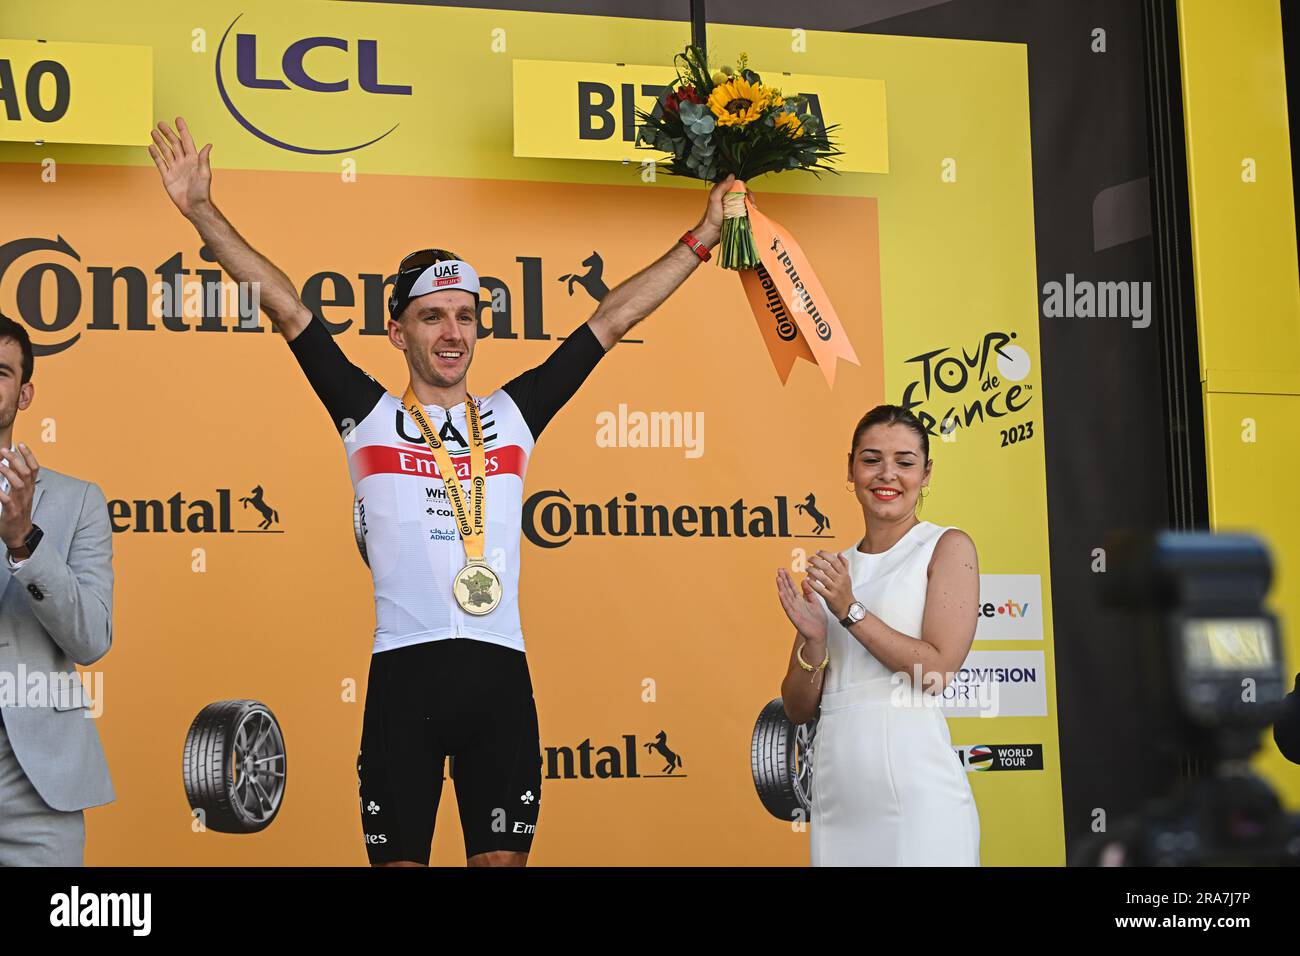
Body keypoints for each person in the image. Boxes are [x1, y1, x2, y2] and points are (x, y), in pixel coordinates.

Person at [149, 116, 732, 866]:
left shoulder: (513, 416)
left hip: (499, 678)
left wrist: (703, 236)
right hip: (405, 681)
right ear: (399, 332)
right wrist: (200, 210)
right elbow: (287, 306)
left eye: (464, 316)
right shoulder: (369, 414)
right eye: (431, 317)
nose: (452, 332)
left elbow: (610, 317)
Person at [775, 404, 981, 866]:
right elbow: (797, 707)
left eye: (905, 462)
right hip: (838, 797)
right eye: (871, 460)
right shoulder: (835, 570)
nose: (887, 474)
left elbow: (937, 670)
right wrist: (814, 642)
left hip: (917, 797)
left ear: (926, 474)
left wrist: (848, 610)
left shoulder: (946, 546)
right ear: (850, 468)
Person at [0, 312, 115, 866]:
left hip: (36, 784)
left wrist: (25, 543)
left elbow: (91, 639)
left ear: (24, 395)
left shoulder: (78, 502)